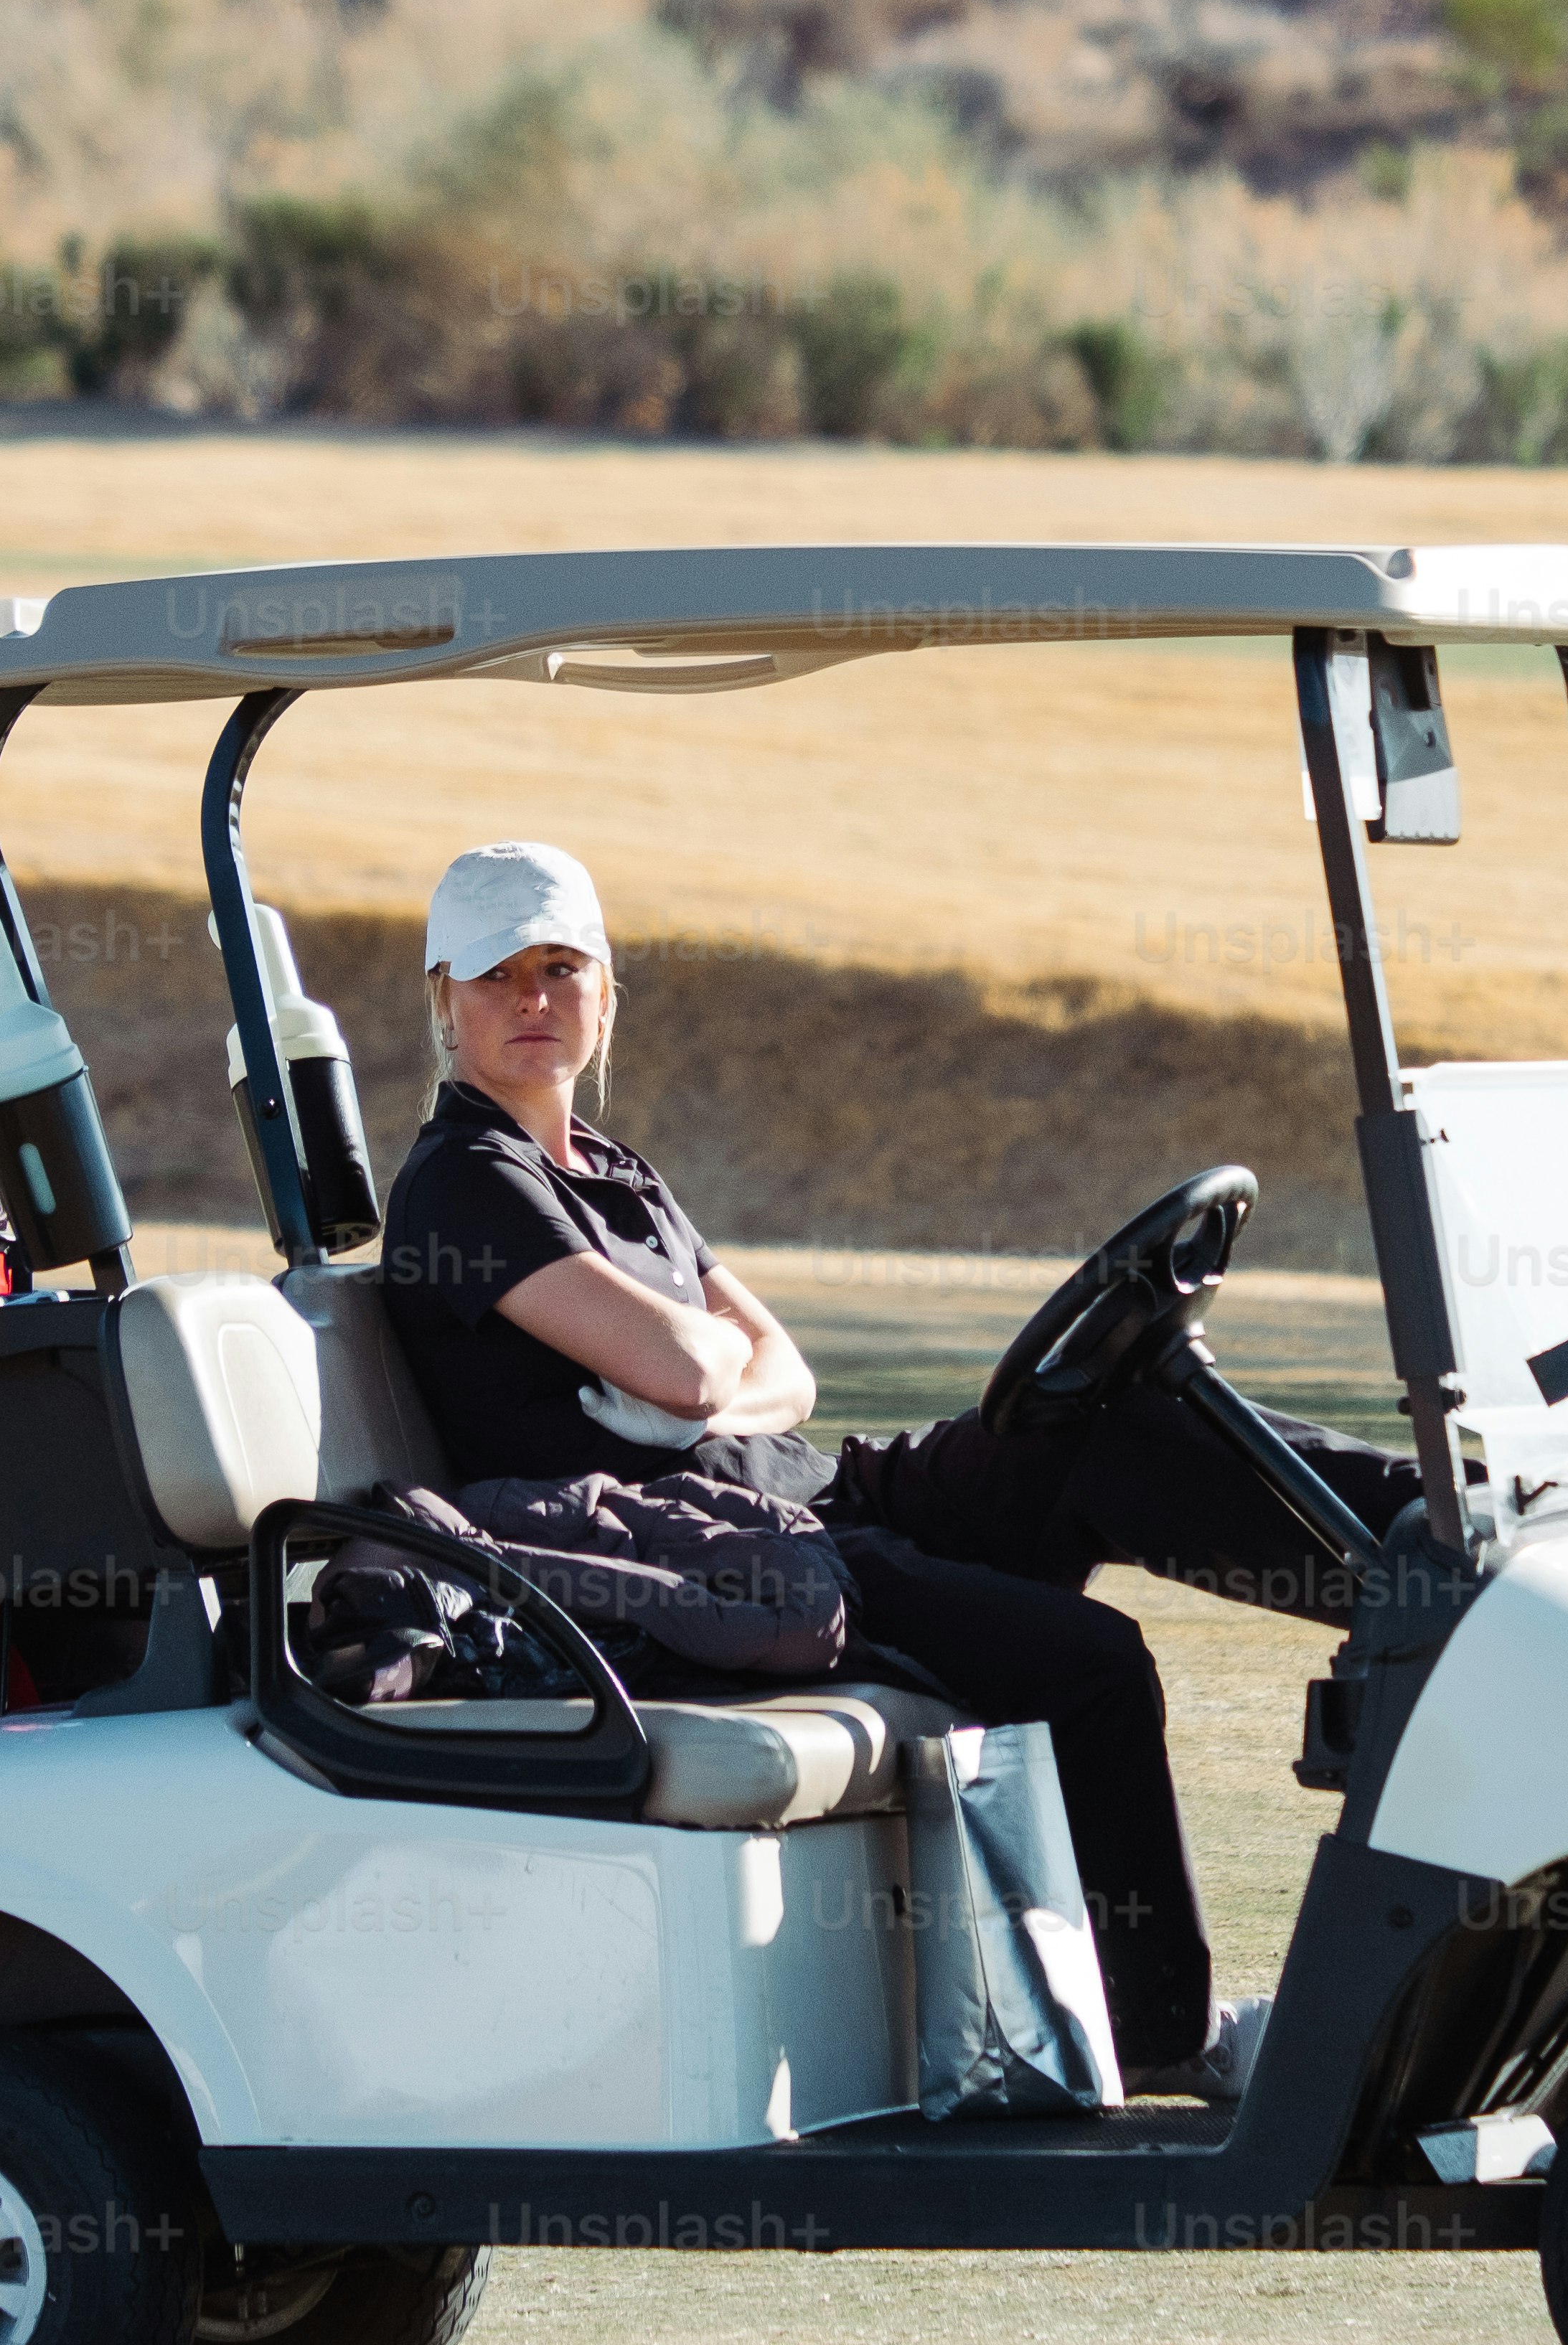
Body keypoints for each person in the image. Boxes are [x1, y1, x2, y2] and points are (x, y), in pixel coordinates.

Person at [379, 841, 1416, 2095]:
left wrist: (678, 1375)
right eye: (498, 976)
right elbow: (706, 1373)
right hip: (718, 1569)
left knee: (1104, 1427)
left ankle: (1421, 1549)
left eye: (561, 968)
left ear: (607, 994)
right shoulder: (468, 1185)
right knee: (1089, 1667)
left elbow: (775, 1370)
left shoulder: (611, 1172)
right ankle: (1166, 2037)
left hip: (815, 1500)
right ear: (446, 998)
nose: (534, 1000)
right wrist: (687, 1375)